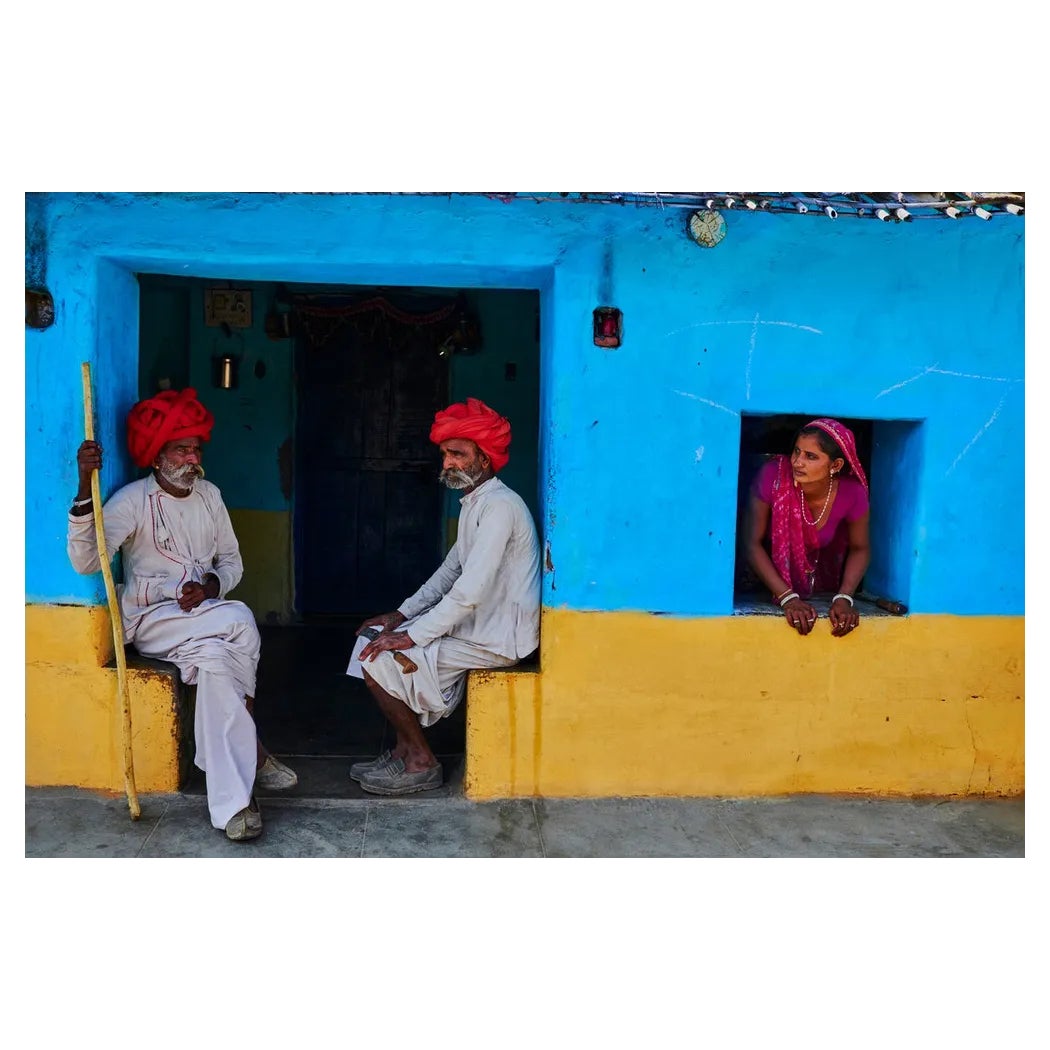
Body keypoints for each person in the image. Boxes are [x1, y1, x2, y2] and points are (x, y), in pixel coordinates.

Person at [67, 387, 297, 842]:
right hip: (152, 621)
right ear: (157, 456)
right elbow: (87, 561)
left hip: (205, 621)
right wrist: (82, 483)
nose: (192, 458)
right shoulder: (133, 500)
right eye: (181, 449)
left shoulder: (210, 496)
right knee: (241, 621)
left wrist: (211, 585)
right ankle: (251, 751)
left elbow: (232, 562)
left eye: (196, 449)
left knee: (216, 664)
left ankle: (234, 805)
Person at [347, 397, 541, 796]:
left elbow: (469, 591)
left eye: (458, 454)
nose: (448, 462)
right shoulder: (476, 503)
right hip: (478, 625)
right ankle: (402, 751)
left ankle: (420, 760)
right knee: (369, 642)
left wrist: (413, 637)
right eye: (445, 454)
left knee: (376, 660)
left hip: (499, 637)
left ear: (484, 459)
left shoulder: (501, 507)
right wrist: (400, 616)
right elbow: (450, 572)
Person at [744, 417, 870, 638]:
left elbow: (861, 548)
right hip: (759, 581)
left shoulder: (852, 494)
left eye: (810, 456)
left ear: (835, 465)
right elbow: (750, 543)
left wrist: (844, 597)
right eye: (796, 451)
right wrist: (787, 598)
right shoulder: (772, 477)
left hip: (822, 583)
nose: (797, 462)